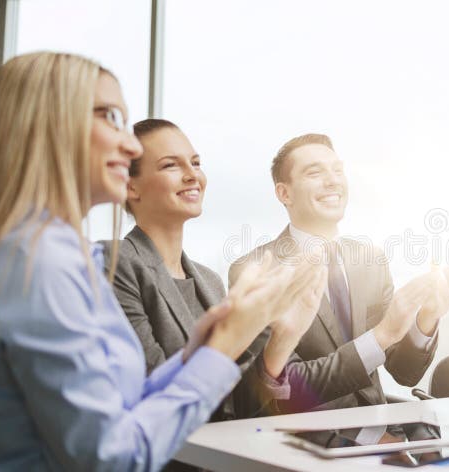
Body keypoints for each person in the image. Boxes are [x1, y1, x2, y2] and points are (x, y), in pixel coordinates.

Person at [0, 52, 322, 471]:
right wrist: (226, 343)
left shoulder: (63, 255)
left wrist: (202, 350)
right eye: (109, 117)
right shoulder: (37, 263)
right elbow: (113, 457)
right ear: (46, 125)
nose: (130, 145)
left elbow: (122, 406)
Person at [228, 133, 449, 413]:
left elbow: (404, 373)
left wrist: (427, 317)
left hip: (381, 427)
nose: (332, 181)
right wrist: (382, 335)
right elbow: (285, 386)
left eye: (337, 170)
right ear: (284, 193)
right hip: (309, 433)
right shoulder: (255, 271)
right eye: (315, 172)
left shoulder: (370, 260)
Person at [108, 119, 321, 420]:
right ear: (131, 186)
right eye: (170, 165)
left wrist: (284, 336)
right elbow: (153, 392)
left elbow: (239, 407)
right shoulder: (117, 263)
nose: (192, 175)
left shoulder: (209, 281)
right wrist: (238, 328)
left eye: (196, 163)